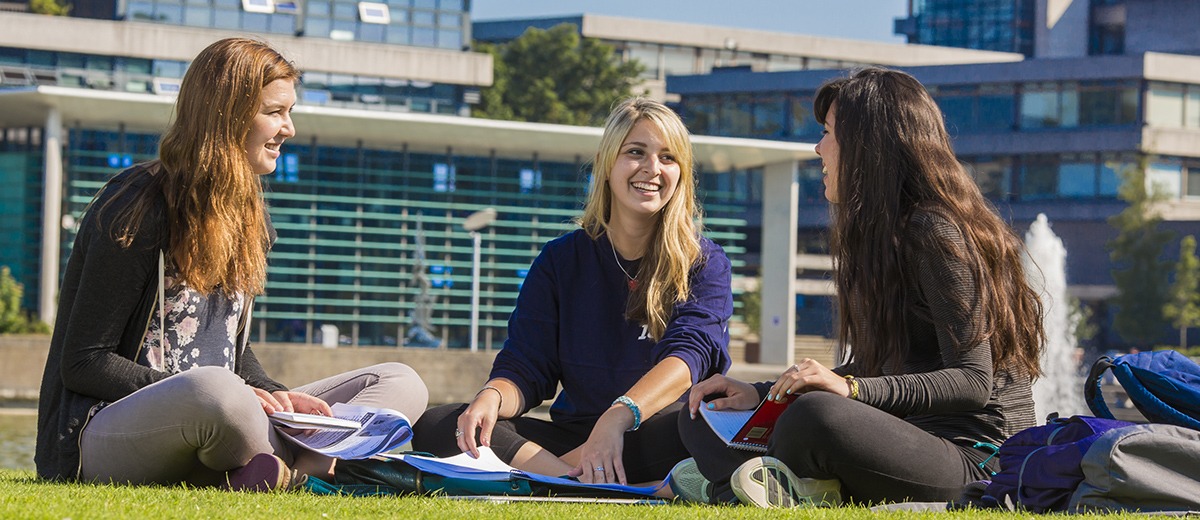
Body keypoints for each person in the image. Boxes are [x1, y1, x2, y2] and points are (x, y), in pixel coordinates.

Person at [35, 37, 428, 490]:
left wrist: (276, 393)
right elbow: (85, 362)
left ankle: (277, 467)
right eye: (275, 112)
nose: (289, 129)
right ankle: (320, 466)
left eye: (290, 112)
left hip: (223, 414)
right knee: (216, 392)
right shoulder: (136, 206)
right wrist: (229, 393)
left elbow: (230, 349)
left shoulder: (250, 216)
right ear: (228, 112)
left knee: (401, 381)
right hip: (101, 432)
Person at [673, 67, 1046, 507]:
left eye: (828, 133)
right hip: (901, 437)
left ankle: (741, 483)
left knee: (816, 415)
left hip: (976, 461)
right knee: (701, 413)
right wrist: (760, 392)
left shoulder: (937, 232)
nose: (818, 148)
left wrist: (848, 390)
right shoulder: (880, 238)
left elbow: (973, 381)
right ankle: (770, 483)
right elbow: (875, 366)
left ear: (870, 146)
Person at [411, 98, 733, 488]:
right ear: (606, 163)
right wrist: (493, 396)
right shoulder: (560, 259)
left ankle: (544, 477)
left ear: (681, 173)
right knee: (442, 423)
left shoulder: (704, 262)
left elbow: (690, 356)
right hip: (573, 436)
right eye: (636, 152)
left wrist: (618, 416)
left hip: (651, 431)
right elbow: (527, 366)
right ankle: (568, 479)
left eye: (668, 157)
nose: (652, 168)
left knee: (695, 427)